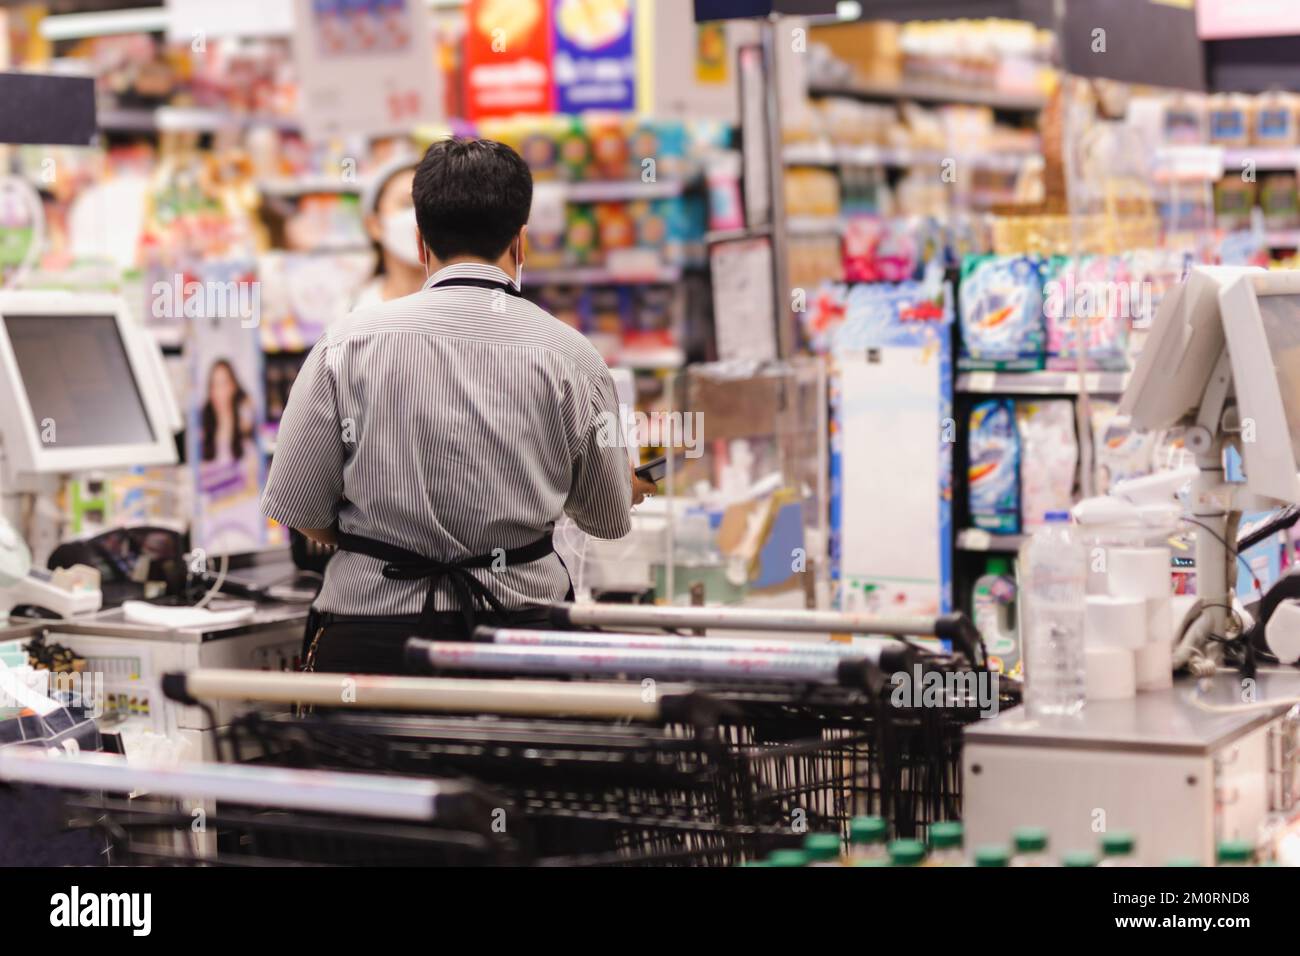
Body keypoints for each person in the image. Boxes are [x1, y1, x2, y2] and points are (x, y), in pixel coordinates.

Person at [263, 137, 655, 675]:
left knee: (363, 763)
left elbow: (300, 508)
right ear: (521, 242)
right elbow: (608, 517)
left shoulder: (346, 344)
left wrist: (381, 545)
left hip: (371, 639)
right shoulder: (572, 356)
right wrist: (620, 484)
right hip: (523, 640)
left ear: (421, 242)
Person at [349, 156, 425, 312]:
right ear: (374, 225)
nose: (420, 216)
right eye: (407, 204)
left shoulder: (466, 304)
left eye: (427, 204)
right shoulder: (354, 309)